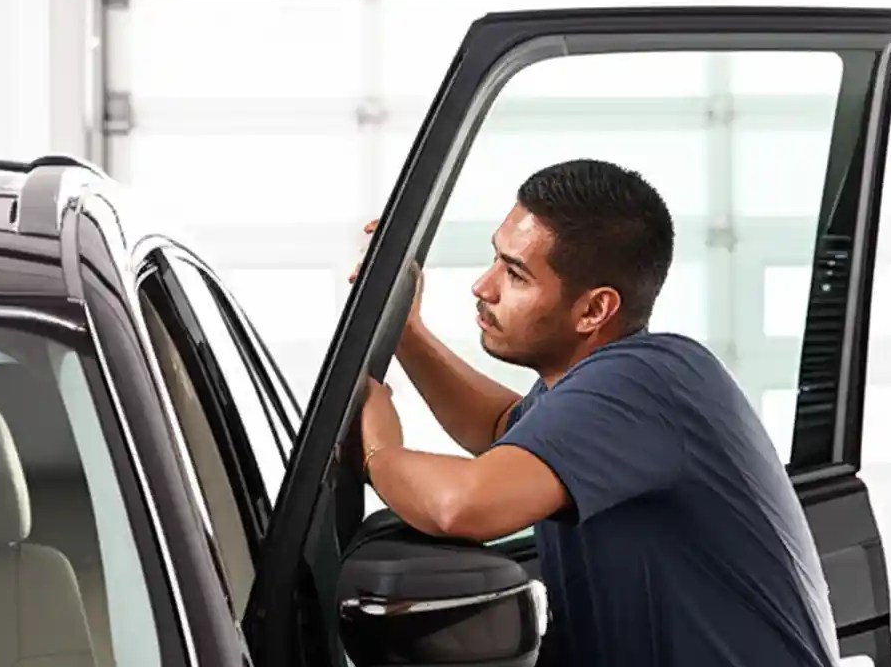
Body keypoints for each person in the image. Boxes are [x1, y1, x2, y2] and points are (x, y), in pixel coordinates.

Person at [354, 158, 841, 666]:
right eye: (496, 259)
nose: (484, 286)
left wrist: (376, 449)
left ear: (593, 310)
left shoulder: (648, 380)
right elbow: (503, 429)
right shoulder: (608, 390)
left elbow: (462, 506)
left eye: (515, 274)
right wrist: (407, 332)